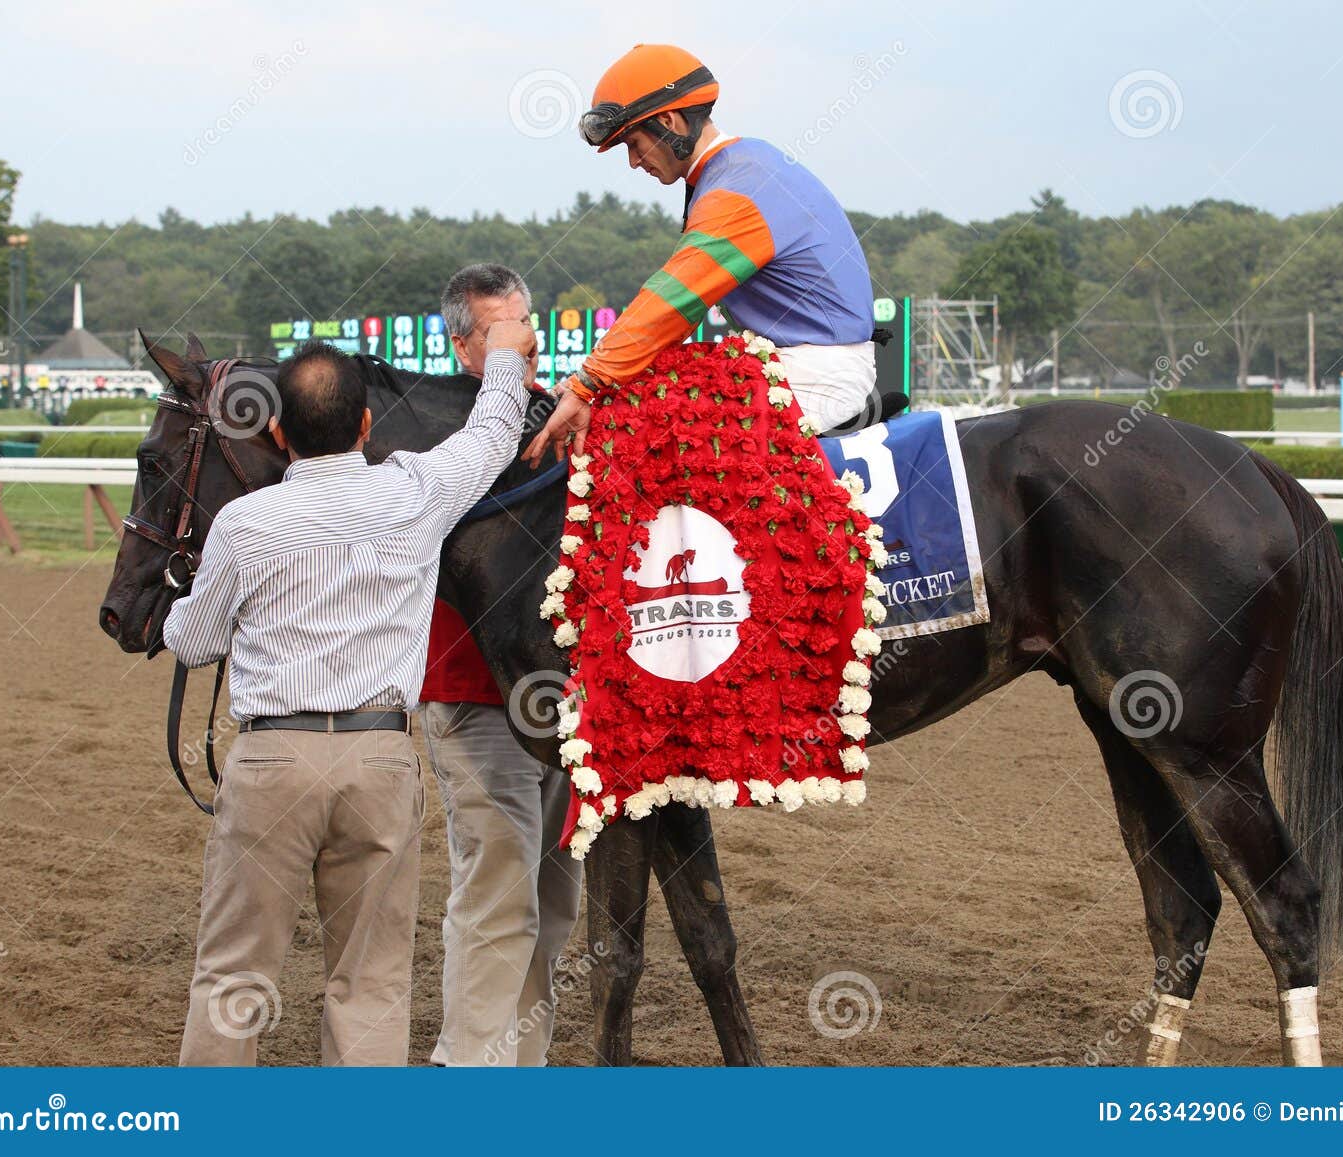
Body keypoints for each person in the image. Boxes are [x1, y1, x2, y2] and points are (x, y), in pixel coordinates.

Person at [164, 324, 535, 1066]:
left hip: (271, 760)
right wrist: (501, 349)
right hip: (380, 758)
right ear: (366, 425)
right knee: (370, 983)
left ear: (277, 432)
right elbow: (494, 431)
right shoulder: (415, 492)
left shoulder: (243, 523)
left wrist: (182, 599)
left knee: (233, 973)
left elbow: (192, 641)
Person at [524, 43, 877, 466]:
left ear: (670, 122)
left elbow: (671, 302)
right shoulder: (737, 167)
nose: (635, 162)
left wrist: (586, 383)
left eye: (634, 144)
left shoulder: (739, 188)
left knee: (659, 445)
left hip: (817, 377)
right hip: (794, 362)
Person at [417, 264, 583, 1066]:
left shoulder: (560, 412)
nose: (523, 340)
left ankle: (523, 1070)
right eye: (500, 331)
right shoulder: (435, 429)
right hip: (474, 700)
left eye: (527, 322)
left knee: (553, 901)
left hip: (557, 702)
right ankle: (469, 1074)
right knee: (497, 895)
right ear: (459, 343)